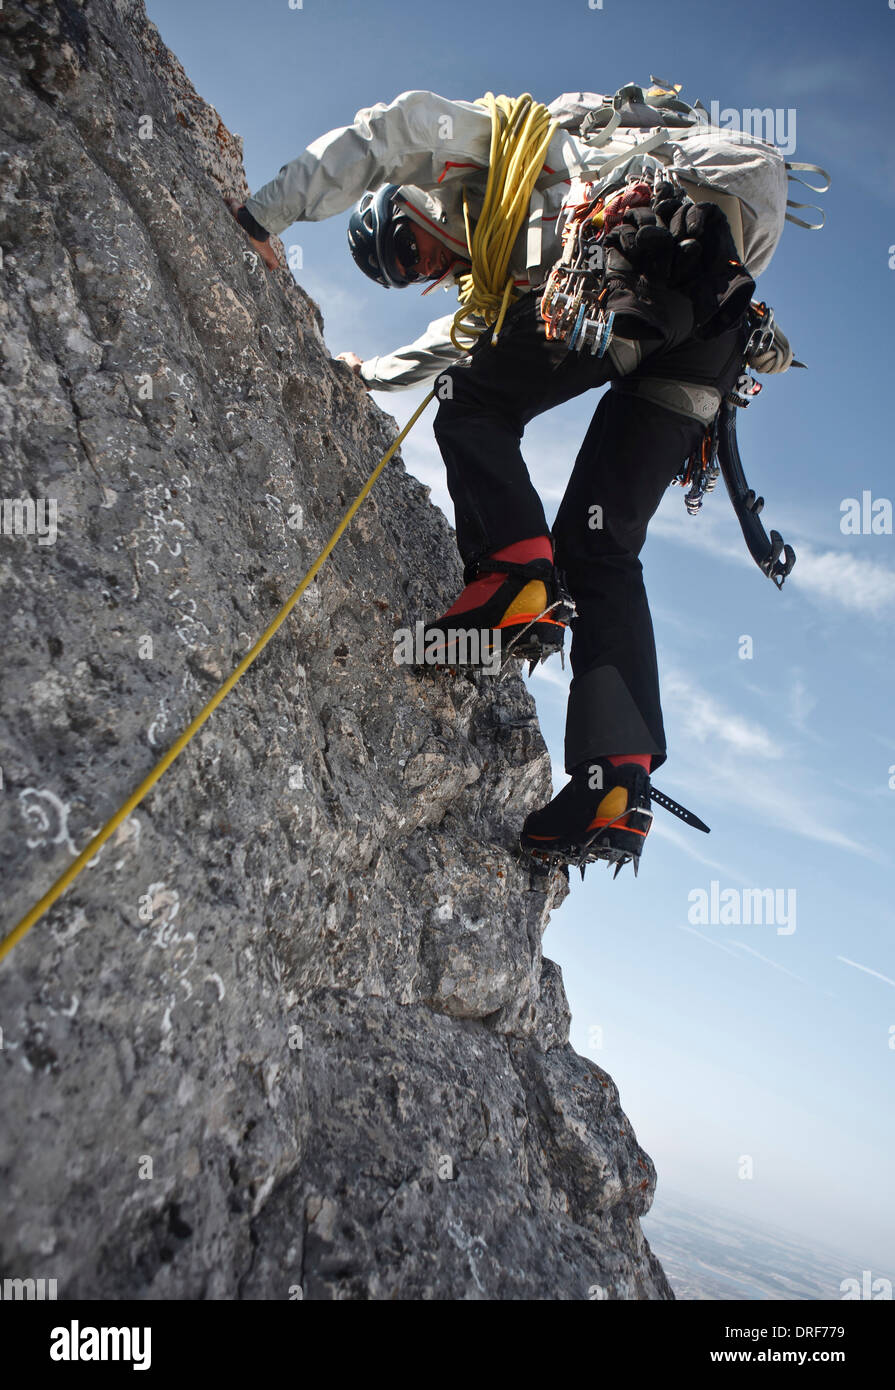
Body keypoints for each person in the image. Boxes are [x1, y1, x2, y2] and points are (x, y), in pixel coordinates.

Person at [226, 87, 781, 875]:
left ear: (411, 205)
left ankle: (513, 579)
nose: (421, 271)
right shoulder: (503, 265)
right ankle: (612, 783)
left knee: (471, 405)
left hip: (639, 257)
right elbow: (452, 343)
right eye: (401, 276)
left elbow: (390, 129)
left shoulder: (488, 149)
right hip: (700, 316)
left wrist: (260, 217)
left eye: (405, 251)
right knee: (598, 548)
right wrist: (369, 373)